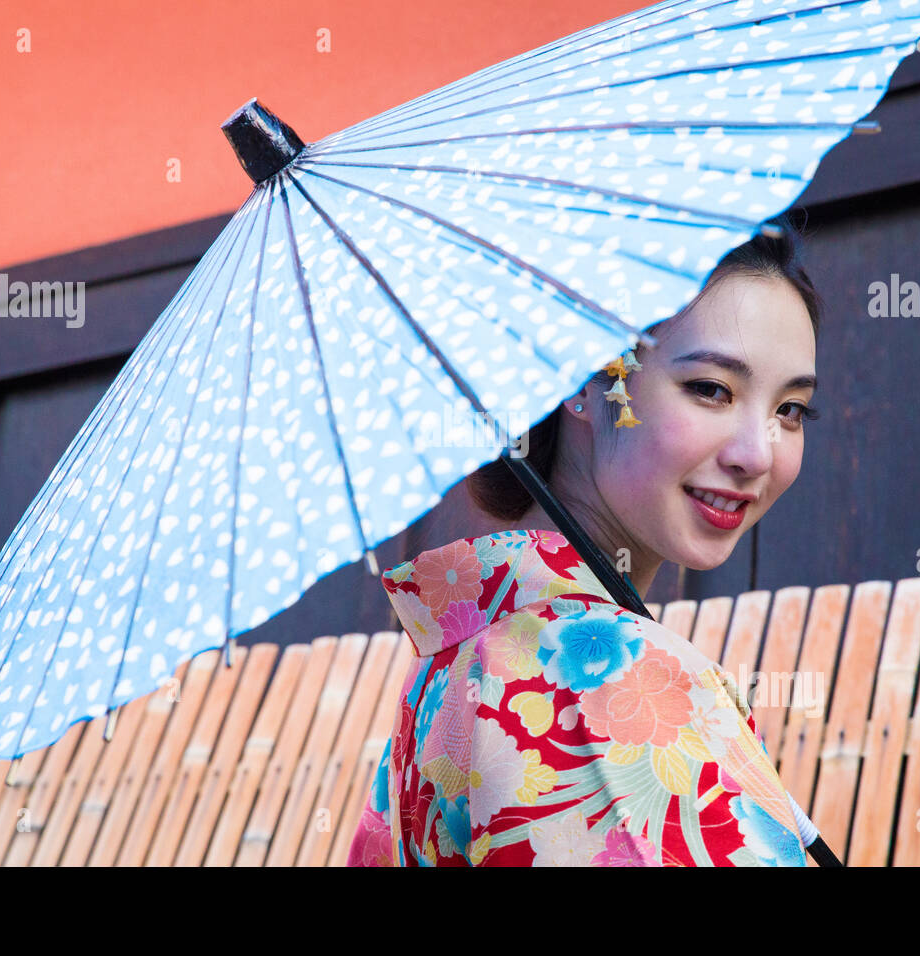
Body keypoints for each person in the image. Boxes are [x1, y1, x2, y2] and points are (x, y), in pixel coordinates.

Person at [346, 216, 823, 866]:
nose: (756, 454)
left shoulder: (457, 663)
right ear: (583, 382)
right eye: (710, 389)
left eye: (789, 410)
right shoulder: (605, 677)